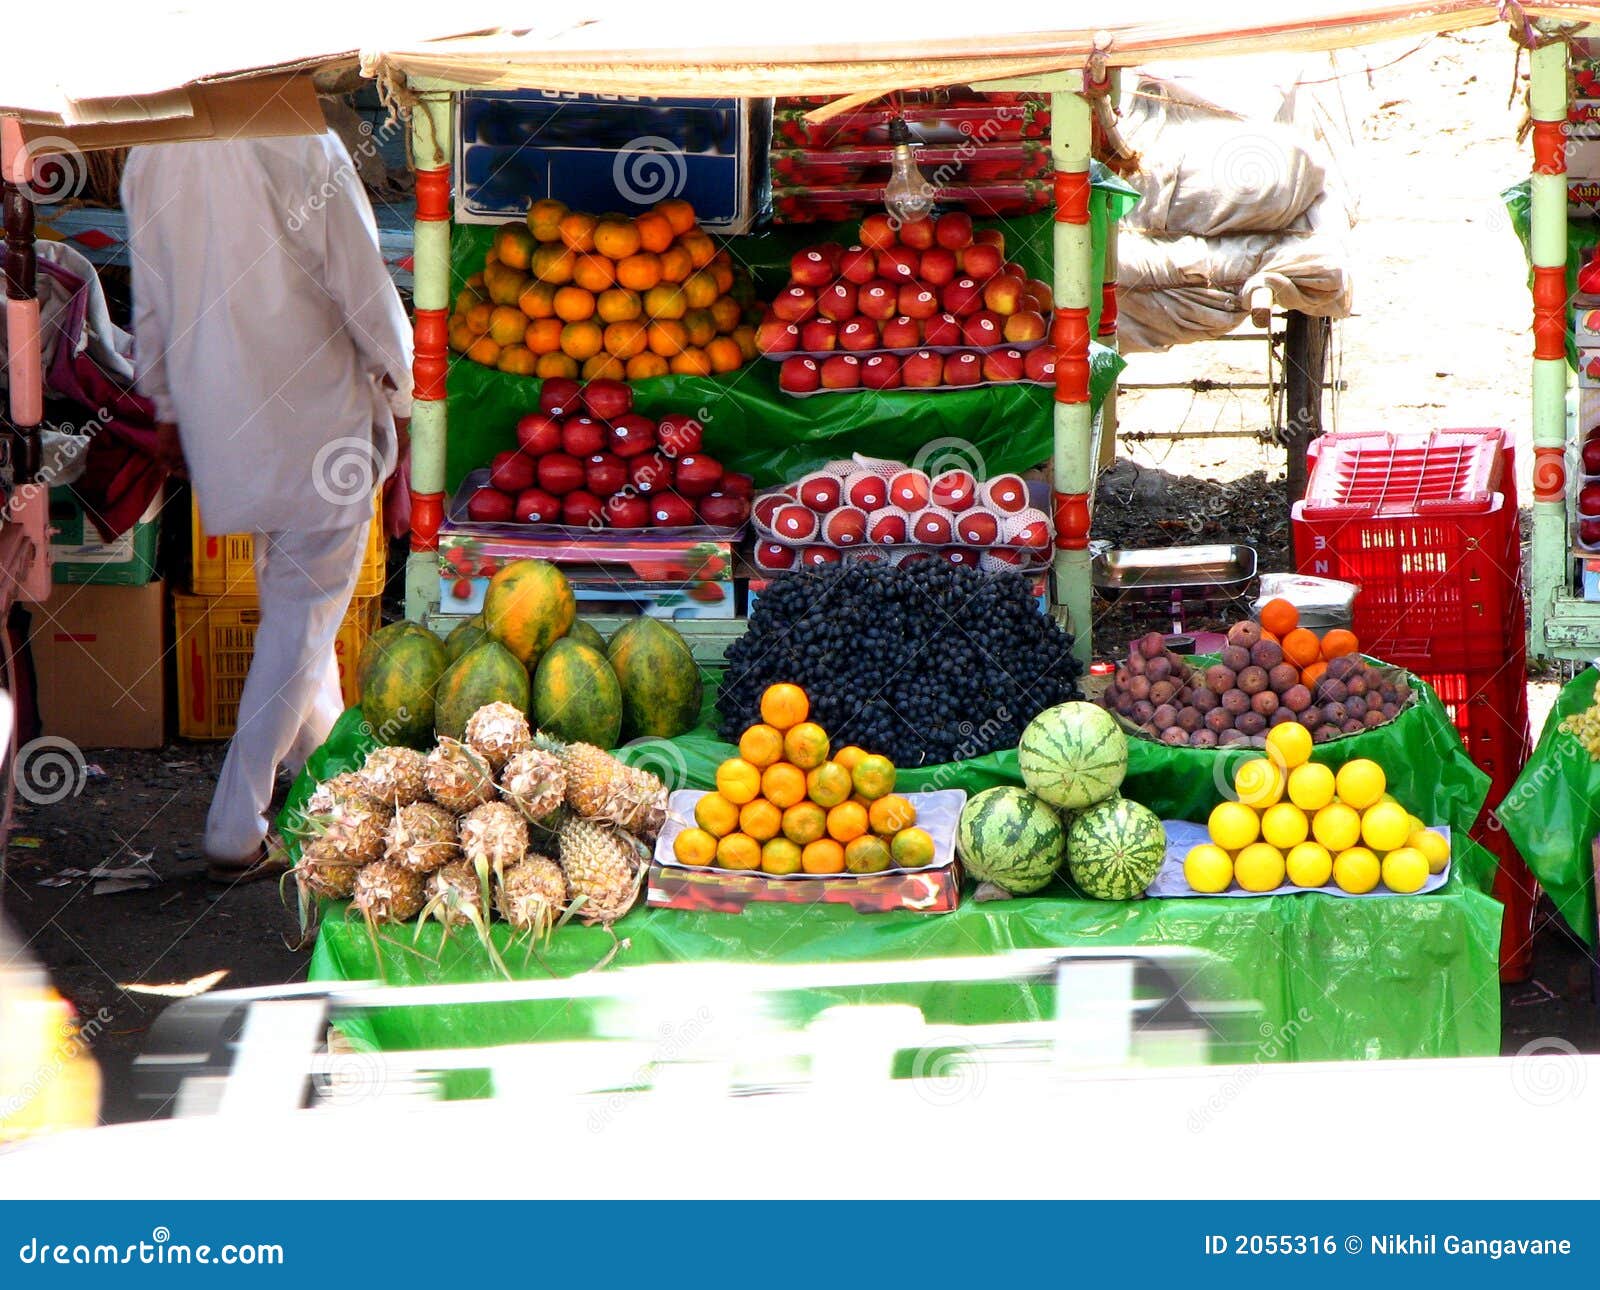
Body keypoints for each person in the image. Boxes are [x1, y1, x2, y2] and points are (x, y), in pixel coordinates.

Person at [122, 129, 412, 882]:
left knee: (297, 613)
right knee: (304, 613)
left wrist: (165, 406)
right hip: (316, 422)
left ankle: (330, 785)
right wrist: (409, 390)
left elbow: (150, 302)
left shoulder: (153, 152)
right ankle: (235, 826)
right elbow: (365, 288)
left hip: (223, 421)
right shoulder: (306, 143)